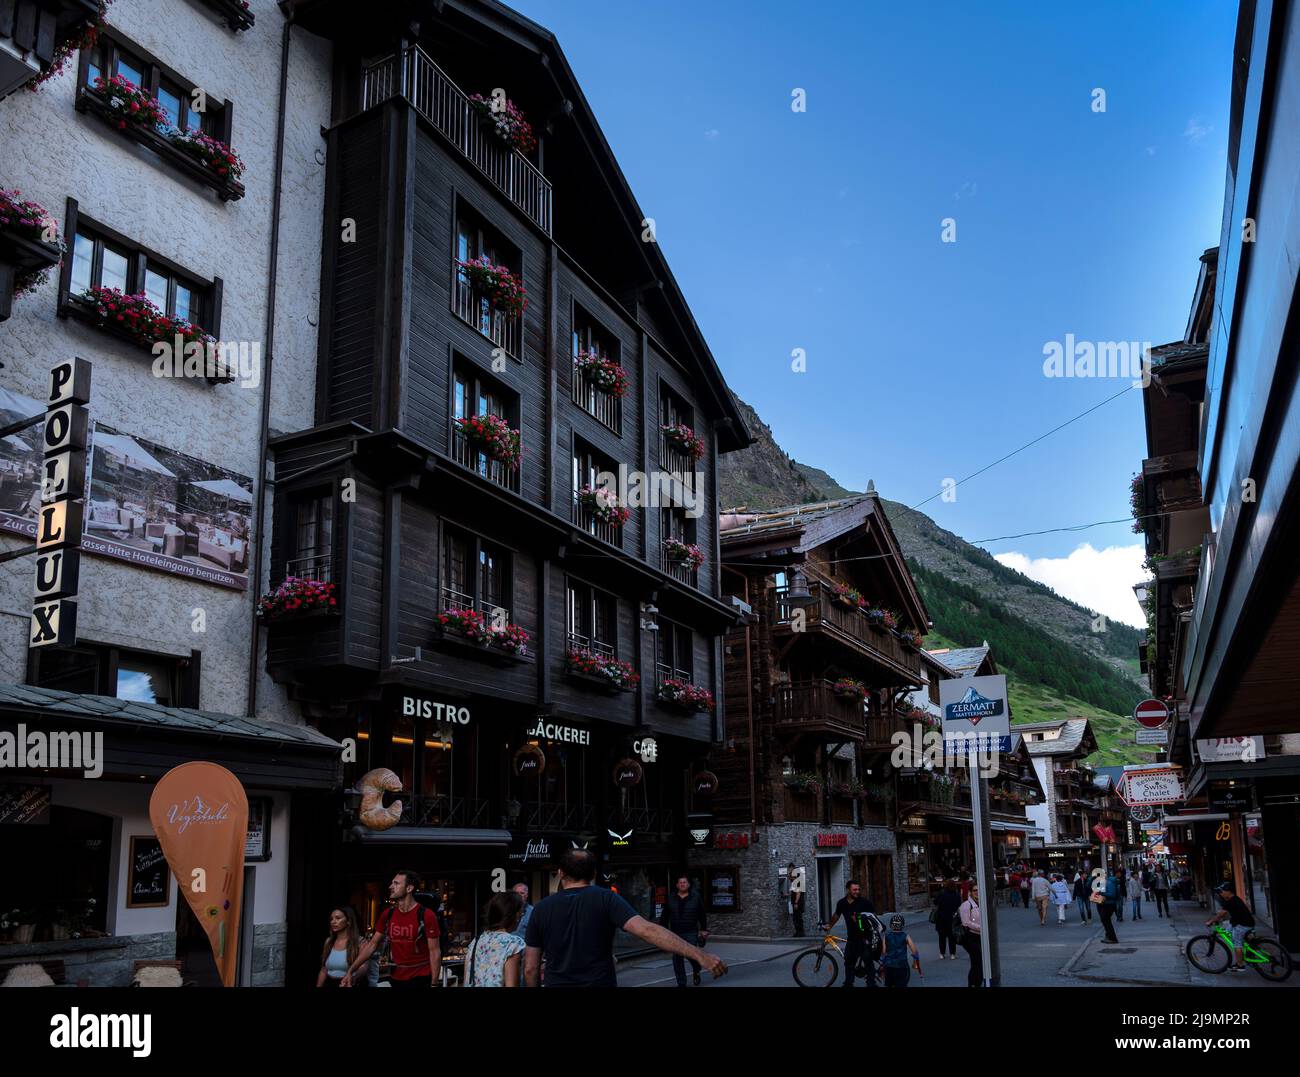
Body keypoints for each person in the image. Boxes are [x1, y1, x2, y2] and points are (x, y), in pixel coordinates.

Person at [524, 847, 724, 987]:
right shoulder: (606, 899)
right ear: (593, 874)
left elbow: (531, 968)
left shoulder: (540, 909)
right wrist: (700, 955)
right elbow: (647, 930)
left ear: (560, 873)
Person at [342, 869, 441, 987]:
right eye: (392, 883)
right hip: (396, 976)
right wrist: (351, 970)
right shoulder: (388, 914)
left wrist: (434, 983)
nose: (390, 886)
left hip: (421, 976)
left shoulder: (426, 915)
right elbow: (372, 945)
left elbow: (434, 951)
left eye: (396, 883)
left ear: (409, 888)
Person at [464, 891, 526, 987]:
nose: (522, 916)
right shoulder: (513, 943)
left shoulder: (476, 942)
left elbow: (467, 981)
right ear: (516, 915)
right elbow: (512, 984)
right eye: (522, 912)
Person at [826, 880, 879, 987]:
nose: (857, 892)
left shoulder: (865, 902)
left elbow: (874, 918)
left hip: (866, 937)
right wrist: (829, 925)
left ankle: (871, 983)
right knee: (849, 962)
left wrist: (861, 920)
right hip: (852, 938)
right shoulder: (842, 903)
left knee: (867, 961)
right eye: (854, 889)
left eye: (858, 889)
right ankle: (848, 983)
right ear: (848, 890)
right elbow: (837, 915)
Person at [660, 874, 709, 987]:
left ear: (688, 884)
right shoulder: (671, 898)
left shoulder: (696, 897)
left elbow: (702, 915)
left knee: (691, 955)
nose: (682, 884)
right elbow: (664, 916)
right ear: (677, 885)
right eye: (680, 882)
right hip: (675, 933)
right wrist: (662, 929)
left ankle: (696, 968)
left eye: (684, 882)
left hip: (691, 932)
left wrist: (704, 929)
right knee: (677, 959)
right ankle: (681, 983)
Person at [1206, 882, 1255, 972]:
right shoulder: (1235, 899)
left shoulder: (1230, 901)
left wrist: (1212, 921)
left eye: (1222, 891)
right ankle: (1247, 949)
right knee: (1227, 930)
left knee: (1237, 944)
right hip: (1241, 922)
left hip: (1242, 925)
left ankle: (1240, 965)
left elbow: (1222, 913)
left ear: (1228, 891)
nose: (1220, 894)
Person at [317, 906, 360, 988]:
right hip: (329, 983)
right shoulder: (328, 941)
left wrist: (353, 978)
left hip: (348, 984)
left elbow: (364, 967)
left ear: (348, 921)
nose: (333, 922)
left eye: (337, 918)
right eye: (331, 919)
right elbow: (324, 969)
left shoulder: (359, 942)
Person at [880, 914, 919, 987]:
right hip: (901, 966)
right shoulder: (906, 936)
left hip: (889, 966)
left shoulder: (886, 936)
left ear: (891, 925)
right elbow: (915, 951)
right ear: (903, 925)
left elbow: (884, 953)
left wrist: (882, 966)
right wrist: (915, 963)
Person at [958, 883, 983, 986]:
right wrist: (981, 928)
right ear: (970, 892)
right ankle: (973, 984)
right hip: (971, 937)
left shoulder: (981, 903)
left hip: (981, 937)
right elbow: (966, 922)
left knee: (979, 964)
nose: (977, 892)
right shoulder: (966, 905)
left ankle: (976, 983)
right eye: (974, 890)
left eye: (978, 890)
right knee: (977, 963)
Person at [934, 879, 961, 960]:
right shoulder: (956, 894)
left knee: (941, 937)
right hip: (952, 918)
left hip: (941, 917)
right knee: (951, 937)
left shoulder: (941, 893)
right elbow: (959, 904)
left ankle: (942, 953)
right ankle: (952, 954)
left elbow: (935, 902)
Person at [1098, 868, 1120, 944]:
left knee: (1106, 921)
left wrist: (1102, 893)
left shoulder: (1109, 883)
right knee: (1106, 921)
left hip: (1109, 904)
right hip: (1105, 904)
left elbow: (1112, 894)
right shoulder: (1103, 883)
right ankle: (1108, 936)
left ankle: (1112, 938)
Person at [787, 864, 805, 938]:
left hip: (797, 903)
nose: (790, 878)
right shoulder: (797, 881)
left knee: (797, 918)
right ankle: (799, 932)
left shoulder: (796, 882)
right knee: (797, 917)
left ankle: (800, 933)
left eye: (791, 876)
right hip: (798, 902)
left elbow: (798, 893)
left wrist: (796, 903)